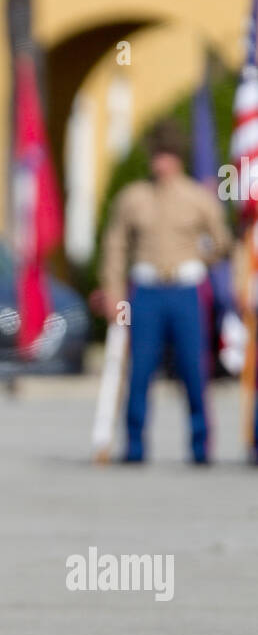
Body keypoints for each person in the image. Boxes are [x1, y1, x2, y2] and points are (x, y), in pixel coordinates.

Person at [98, 119, 232, 463]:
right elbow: (114, 246)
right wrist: (112, 291)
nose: (162, 163)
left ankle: (201, 445)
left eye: (168, 155)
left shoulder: (198, 197)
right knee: (140, 369)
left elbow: (222, 242)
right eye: (157, 155)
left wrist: (197, 260)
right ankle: (135, 444)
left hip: (185, 290)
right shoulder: (133, 198)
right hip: (146, 290)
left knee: (193, 368)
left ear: (179, 158)